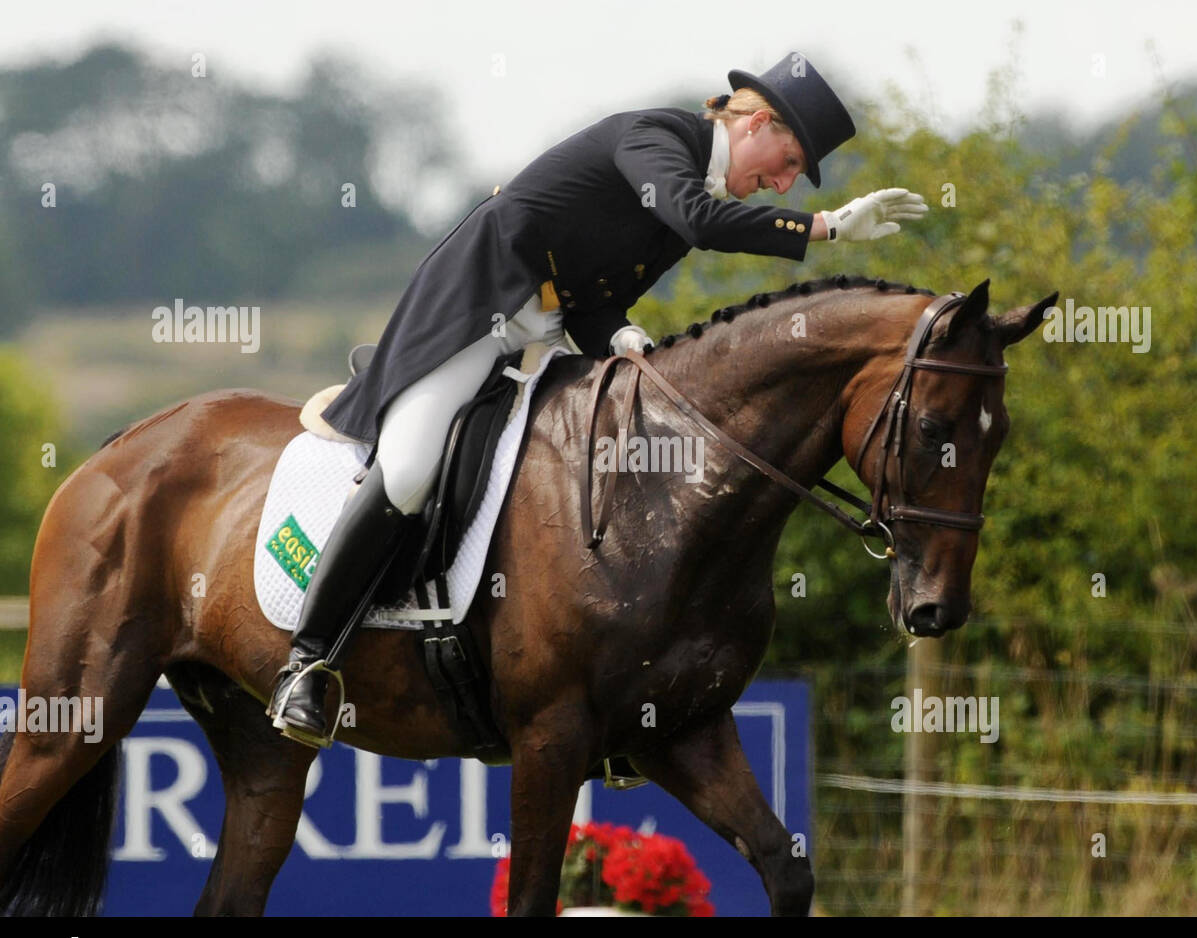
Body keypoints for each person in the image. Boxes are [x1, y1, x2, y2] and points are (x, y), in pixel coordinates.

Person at [267, 51, 929, 747]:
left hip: (546, 335)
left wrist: (622, 333)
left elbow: (594, 300)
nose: (783, 184)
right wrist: (823, 227)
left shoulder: (681, 200)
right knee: (406, 470)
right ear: (758, 122)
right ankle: (308, 662)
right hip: (476, 310)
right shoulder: (656, 138)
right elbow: (699, 219)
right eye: (788, 162)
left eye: (794, 178)